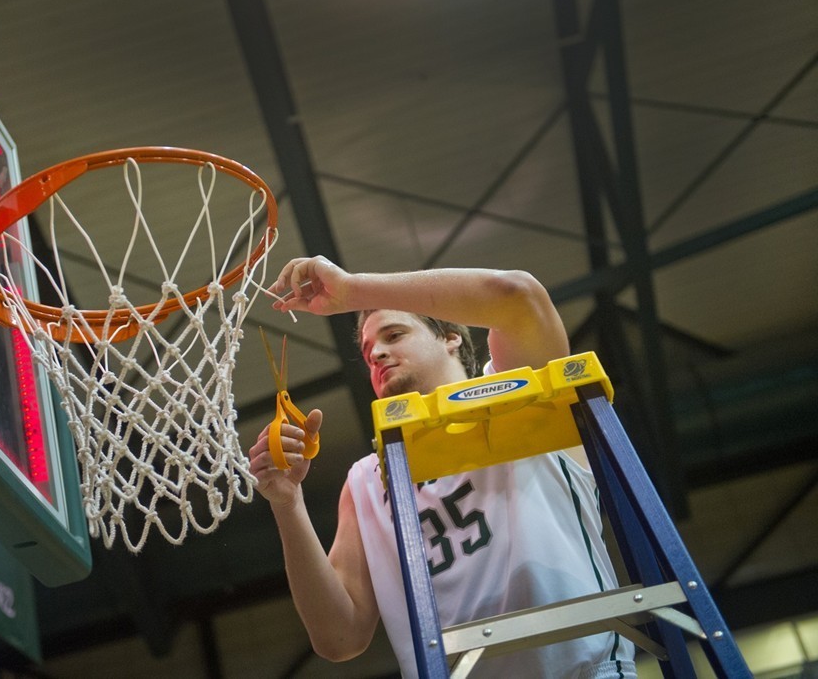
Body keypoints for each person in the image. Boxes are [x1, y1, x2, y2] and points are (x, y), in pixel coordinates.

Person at [248, 255, 637, 678]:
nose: (376, 352)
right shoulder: (365, 477)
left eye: (394, 334)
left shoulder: (518, 393)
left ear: (451, 337)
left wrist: (353, 290)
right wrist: (287, 503)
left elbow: (518, 296)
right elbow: (339, 638)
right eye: (366, 350)